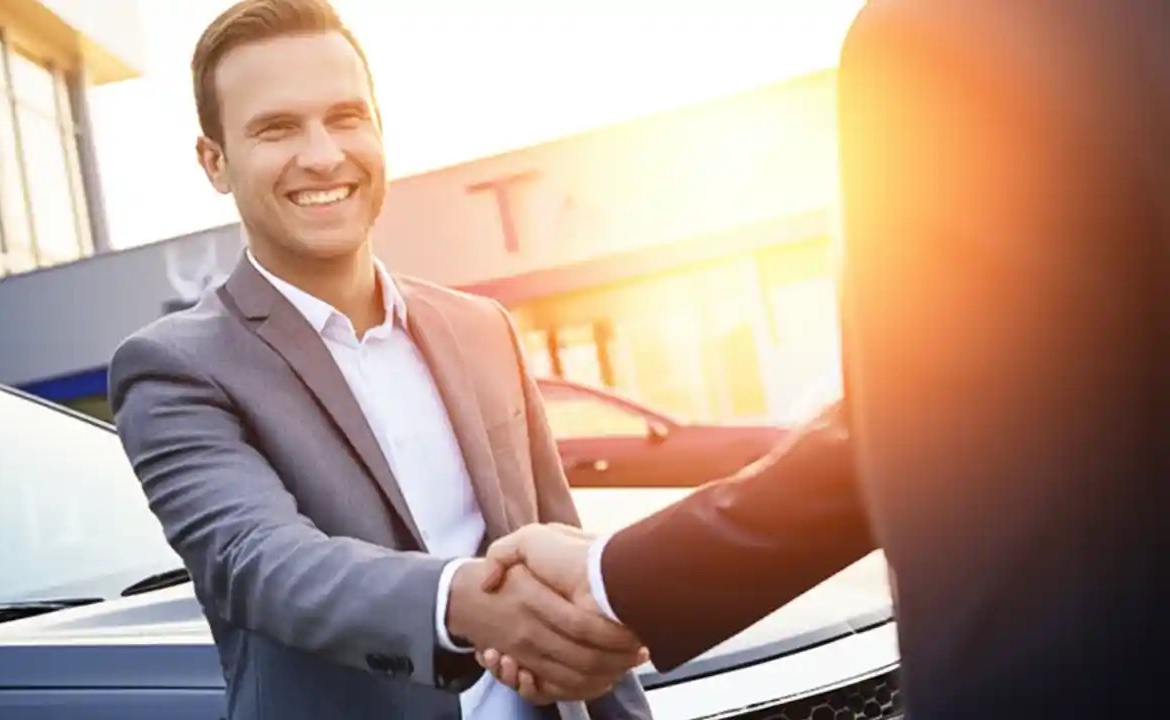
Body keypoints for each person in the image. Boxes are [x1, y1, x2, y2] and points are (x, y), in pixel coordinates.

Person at [477, 0, 1170, 716]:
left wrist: (613, 582)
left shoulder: (962, 30)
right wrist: (621, 578)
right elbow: (1025, 383)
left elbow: (967, 411)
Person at [107, 1, 652, 718]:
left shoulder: (481, 327)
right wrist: (463, 602)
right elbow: (259, 561)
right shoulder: (173, 367)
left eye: (345, 116)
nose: (324, 154)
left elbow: (565, 560)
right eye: (277, 128)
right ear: (216, 163)